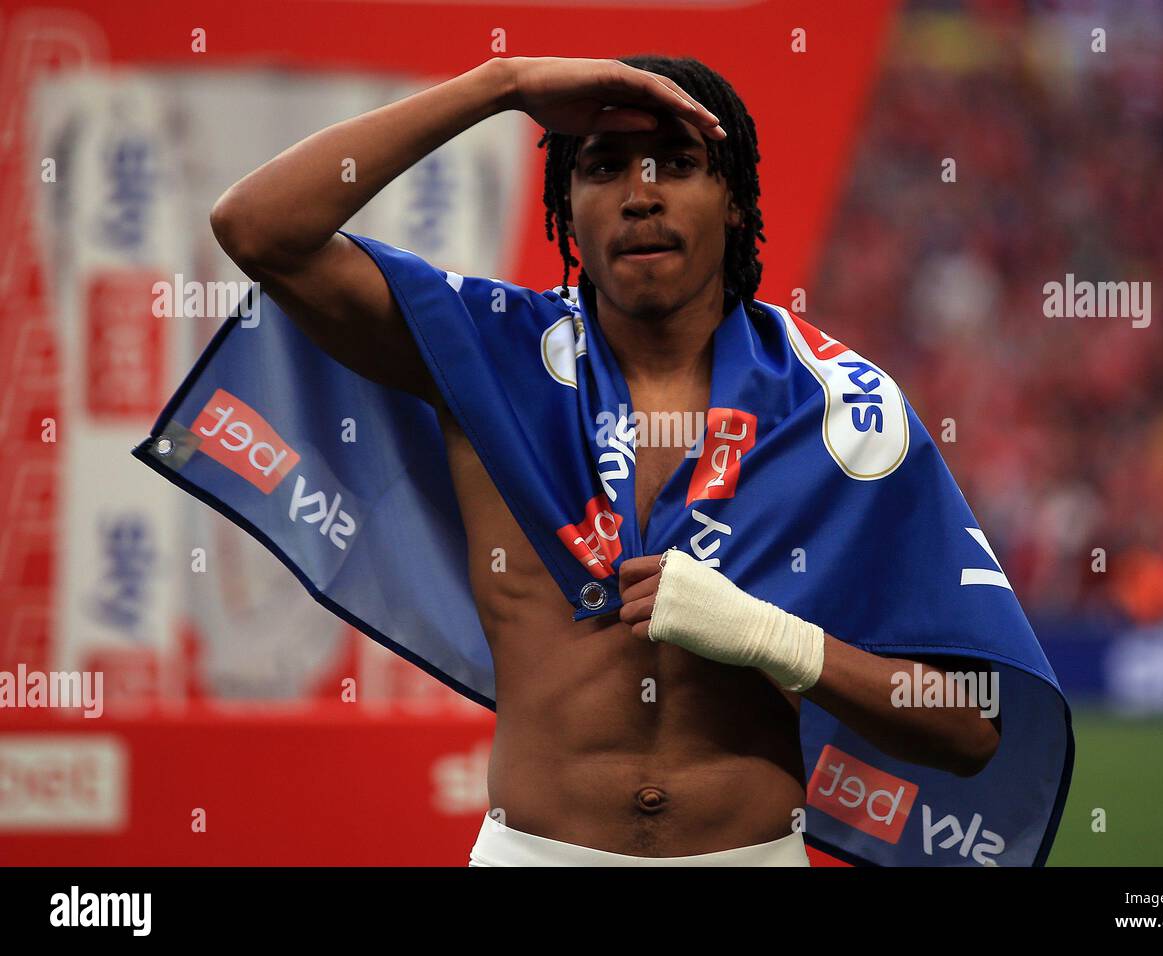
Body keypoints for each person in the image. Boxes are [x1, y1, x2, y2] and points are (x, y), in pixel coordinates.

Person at [202, 55, 1023, 867]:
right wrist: (503, 86)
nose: (641, 193)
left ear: (736, 201)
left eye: (680, 164)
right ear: (567, 203)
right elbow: (257, 228)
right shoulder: (487, 353)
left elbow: (967, 729)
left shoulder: (839, 409)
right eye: (604, 167)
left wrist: (771, 638)